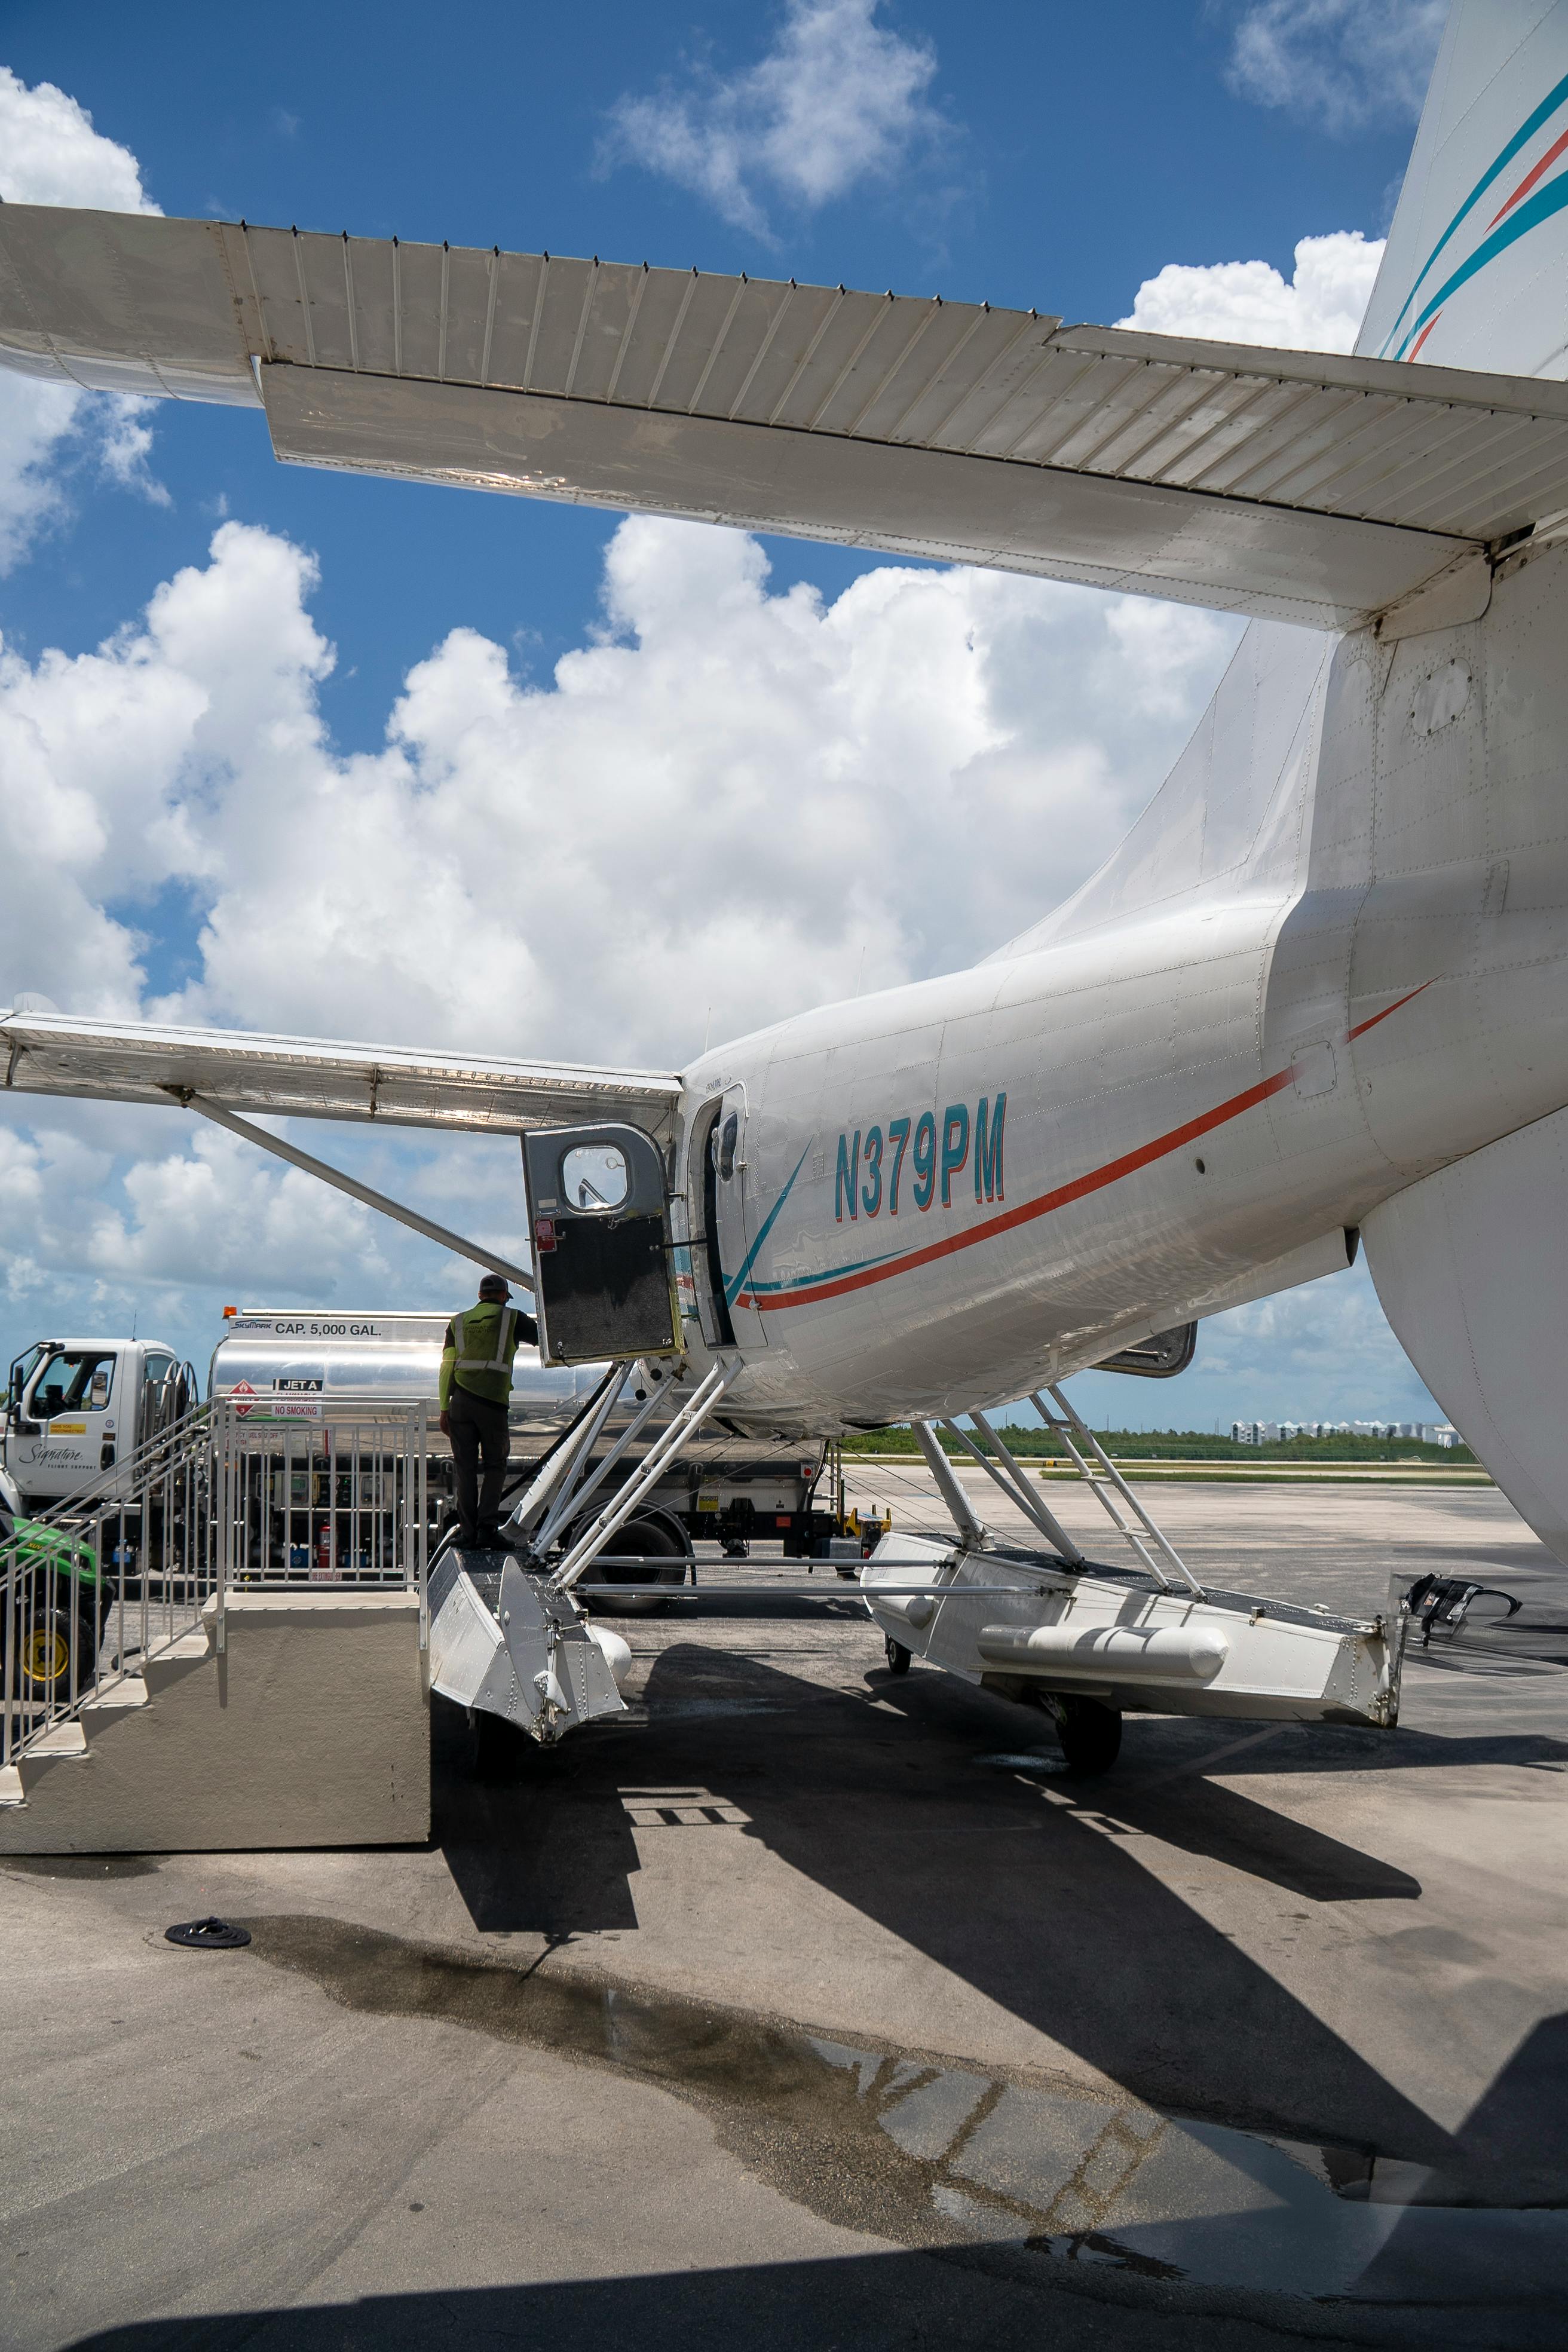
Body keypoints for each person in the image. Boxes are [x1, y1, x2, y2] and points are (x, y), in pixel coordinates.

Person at [439, 1273, 538, 1548]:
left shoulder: (457, 1322)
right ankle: (487, 1531)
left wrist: (444, 1408)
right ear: (504, 1296)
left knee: (465, 1470)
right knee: (495, 1466)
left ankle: (468, 1534)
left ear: (480, 1296)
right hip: (492, 1405)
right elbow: (547, 1340)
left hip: (459, 1402)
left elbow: (447, 1366)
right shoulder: (513, 1318)